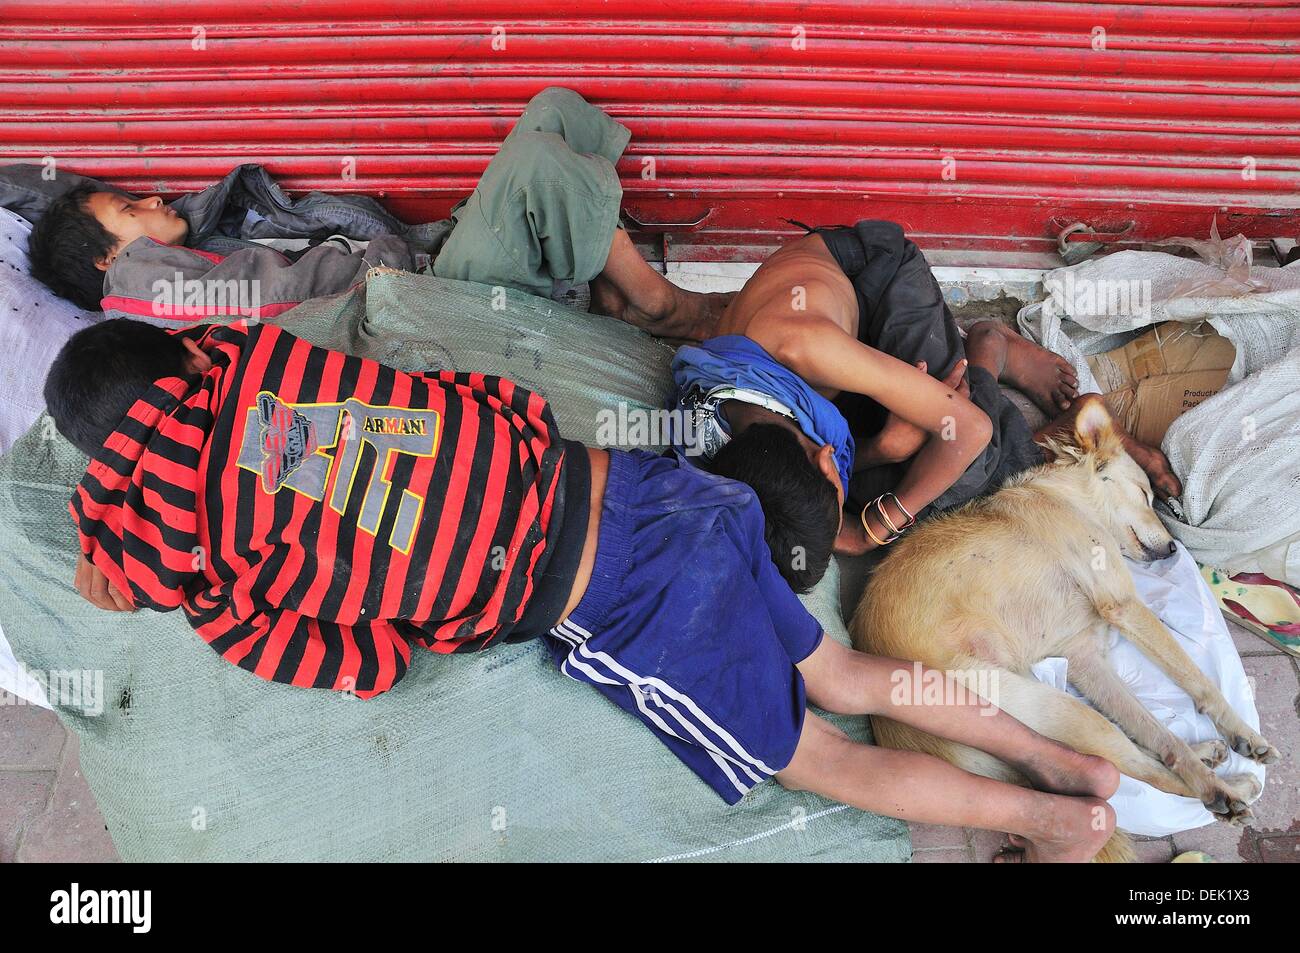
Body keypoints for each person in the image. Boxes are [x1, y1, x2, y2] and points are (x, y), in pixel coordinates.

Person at [50, 317, 1119, 862]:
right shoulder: (280, 367)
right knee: (838, 672)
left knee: (819, 756)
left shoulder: (207, 568)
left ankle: (1051, 819)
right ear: (181, 362)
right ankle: (1058, 757)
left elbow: (373, 663)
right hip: (659, 492)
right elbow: (489, 397)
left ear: (118, 465)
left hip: (628, 594)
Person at [669, 222, 1182, 589]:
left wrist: (872, 530)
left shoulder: (804, 345)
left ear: (825, 458)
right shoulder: (714, 442)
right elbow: (791, 500)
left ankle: (990, 348)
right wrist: (883, 450)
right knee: (917, 506)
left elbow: (970, 429)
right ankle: (1042, 431)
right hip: (833, 370)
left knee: (969, 472)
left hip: (870, 280)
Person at [24, 87, 726, 336]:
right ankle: (663, 306)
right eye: (127, 207)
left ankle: (605, 295)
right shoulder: (147, 290)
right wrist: (392, 264)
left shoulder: (172, 259)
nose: (150, 199)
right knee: (538, 172)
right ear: (105, 257)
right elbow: (284, 304)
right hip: (411, 310)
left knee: (553, 113)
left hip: (408, 277)